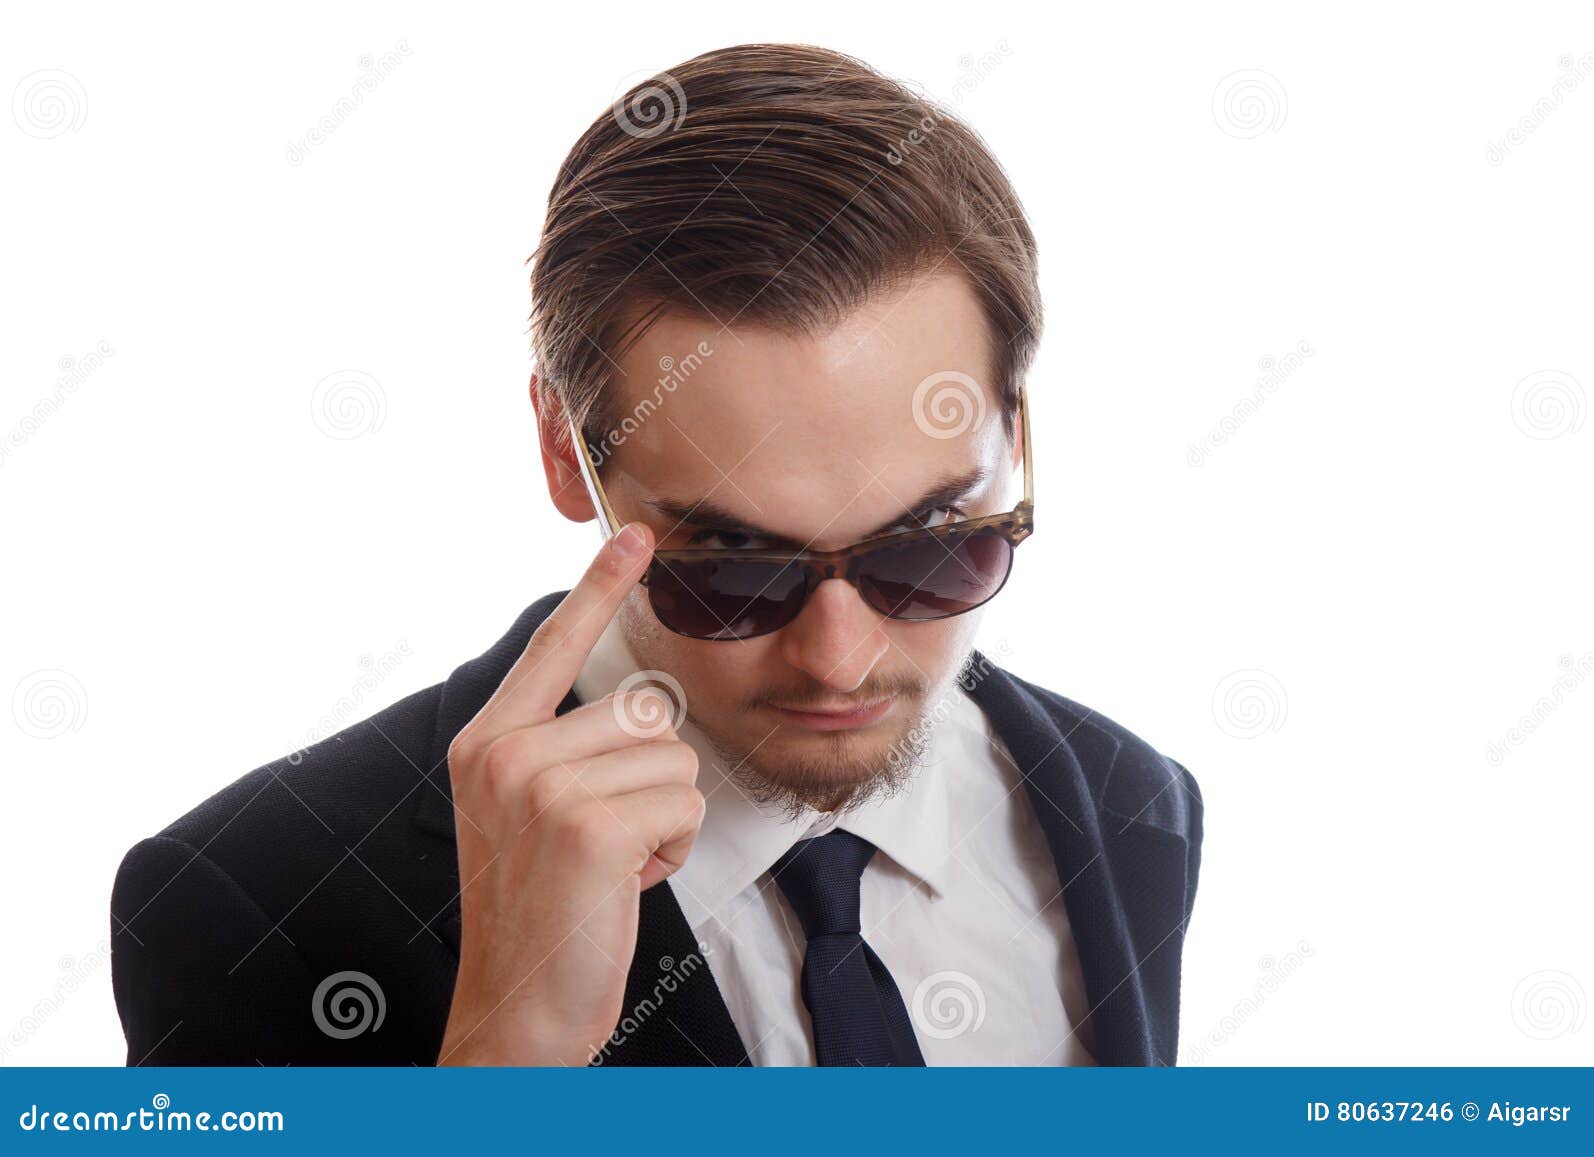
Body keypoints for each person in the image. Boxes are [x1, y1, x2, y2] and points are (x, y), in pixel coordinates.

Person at [110, 42, 1203, 1067]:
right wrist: (510, 1048)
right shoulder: (252, 902)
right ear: (561, 449)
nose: (839, 657)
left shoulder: (1129, 803)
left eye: (926, 548)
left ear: (1014, 432)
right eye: (733, 562)